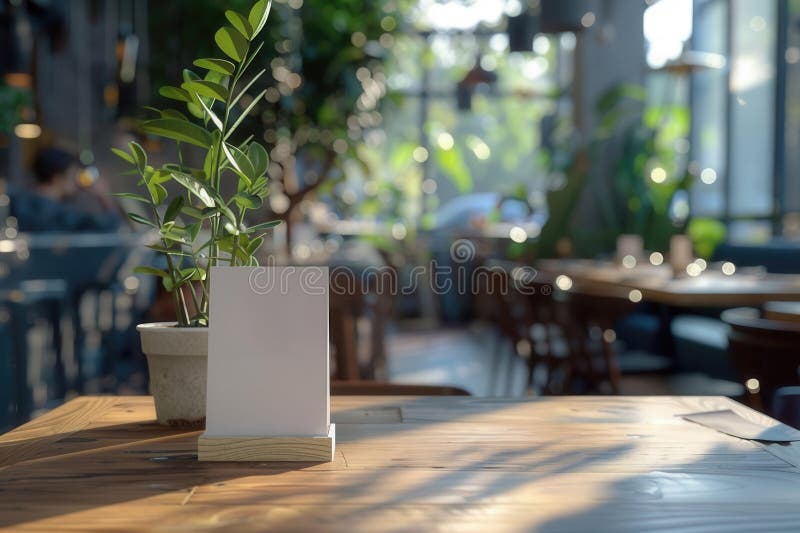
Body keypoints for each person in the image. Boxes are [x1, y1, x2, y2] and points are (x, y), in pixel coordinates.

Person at [8, 147, 122, 232]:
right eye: (72, 176)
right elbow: (108, 227)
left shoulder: (16, 200)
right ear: (56, 178)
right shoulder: (60, 215)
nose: (76, 184)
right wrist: (104, 197)